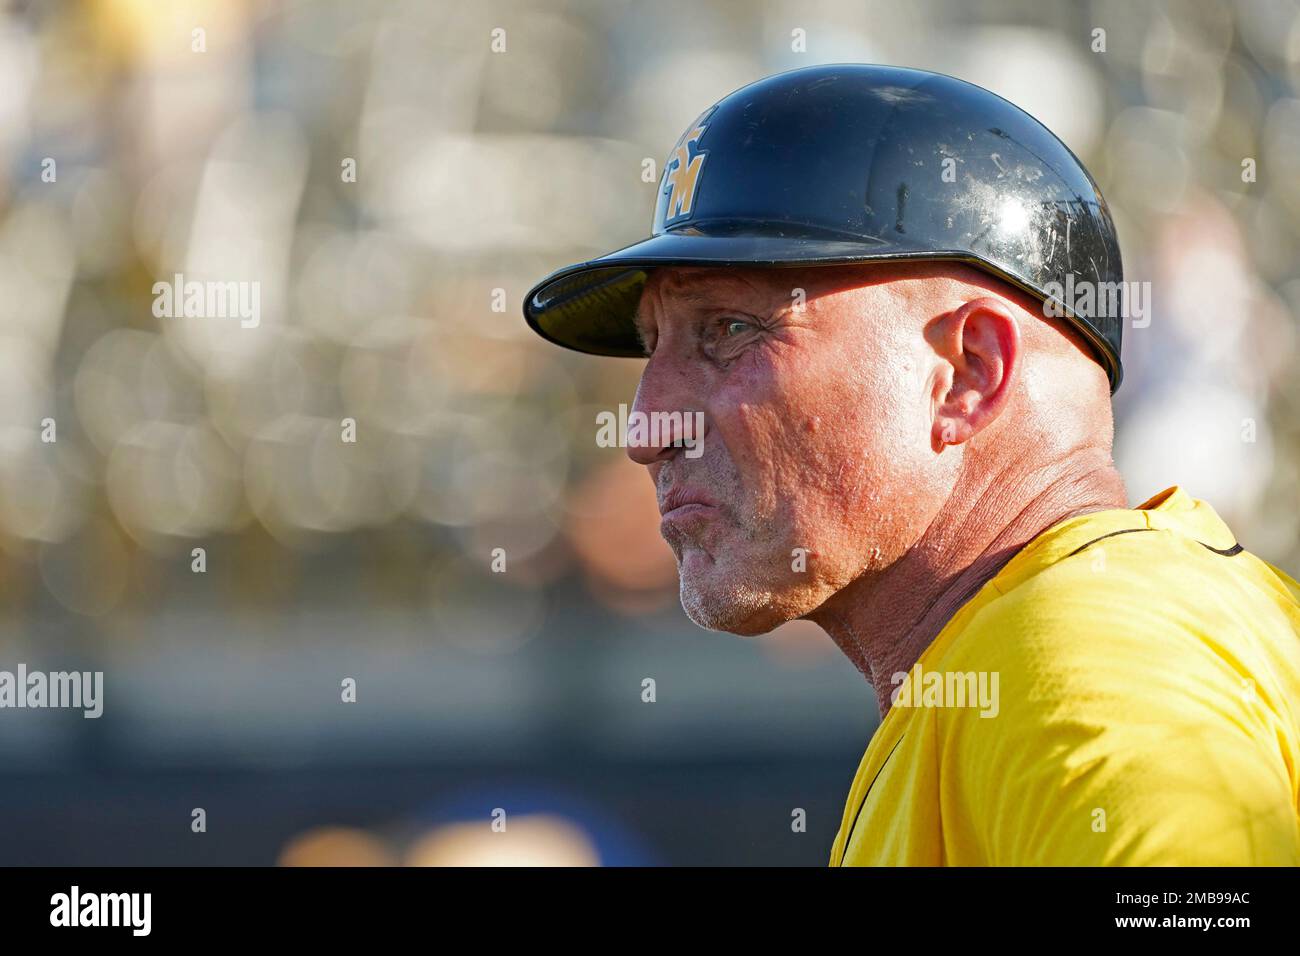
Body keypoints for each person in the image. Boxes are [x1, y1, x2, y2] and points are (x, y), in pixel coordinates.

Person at [522, 64, 1300, 865]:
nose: (647, 427)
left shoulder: (1081, 658)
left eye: (726, 330)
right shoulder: (1025, 652)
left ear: (970, 371)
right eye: (655, 347)